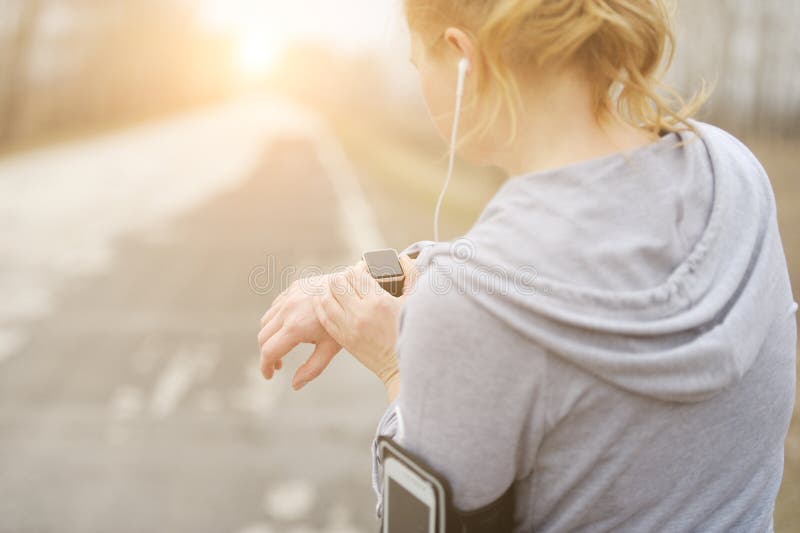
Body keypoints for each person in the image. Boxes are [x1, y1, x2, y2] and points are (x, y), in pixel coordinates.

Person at [256, 0, 798, 531]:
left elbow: (419, 520)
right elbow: (562, 260)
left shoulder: (469, 313)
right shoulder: (734, 173)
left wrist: (399, 367)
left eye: (419, 66)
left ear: (462, 57)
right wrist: (382, 275)